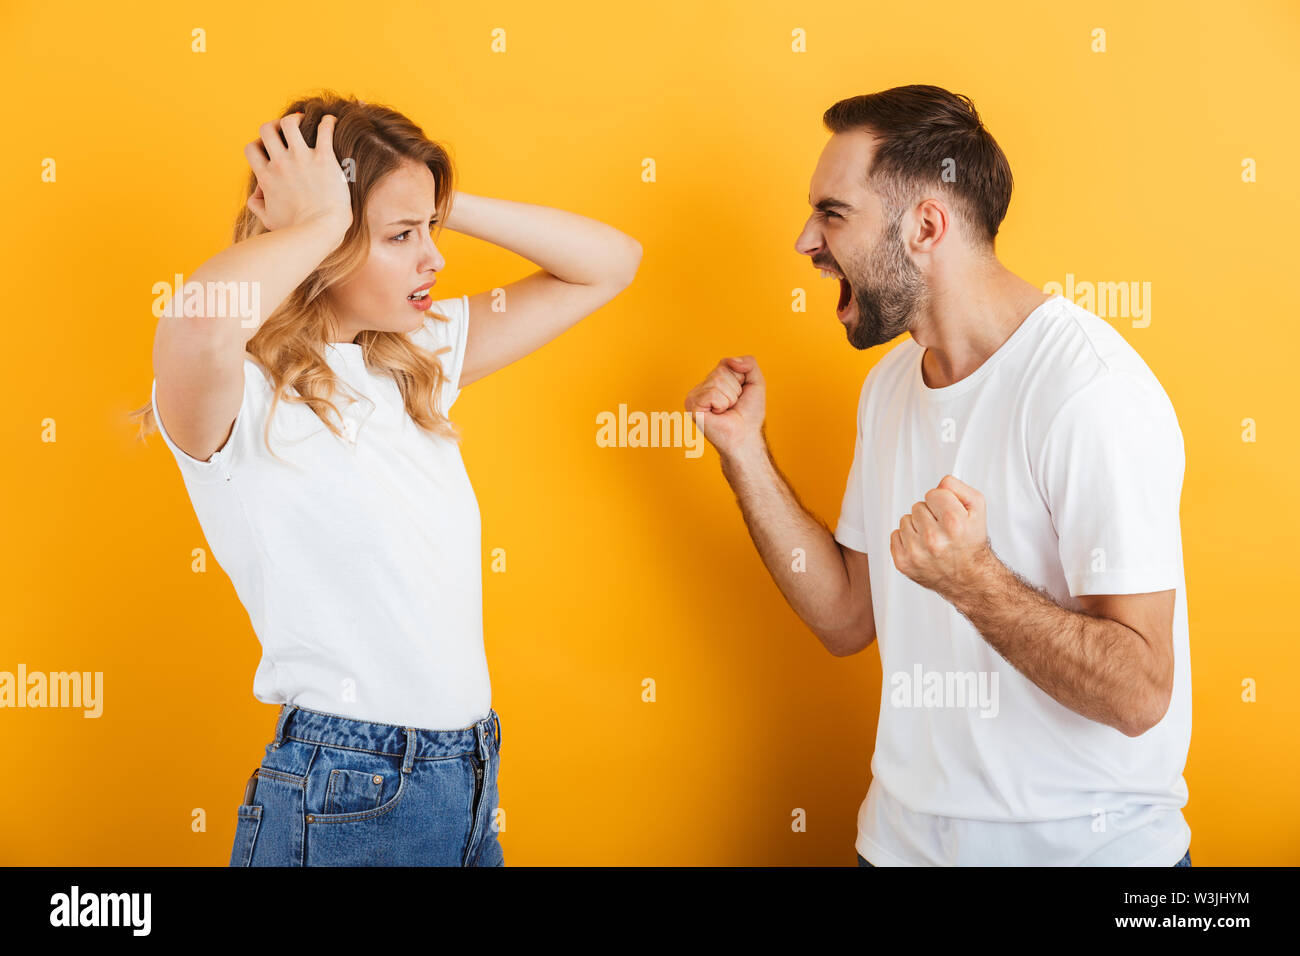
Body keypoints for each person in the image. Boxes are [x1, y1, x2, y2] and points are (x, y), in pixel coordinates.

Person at [684, 84, 1192, 867]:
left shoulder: (1089, 392)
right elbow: (848, 616)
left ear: (925, 225)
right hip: (898, 848)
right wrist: (745, 454)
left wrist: (975, 580)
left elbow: (1139, 692)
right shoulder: (890, 386)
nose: (804, 242)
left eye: (832, 213)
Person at [133, 92, 641, 866]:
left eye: (429, 230)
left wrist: (429, 198)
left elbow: (609, 264)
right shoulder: (238, 391)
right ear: (322, 244)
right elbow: (199, 321)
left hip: (465, 776)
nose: (433, 257)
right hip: (348, 789)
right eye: (402, 236)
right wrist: (319, 220)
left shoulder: (413, 358)